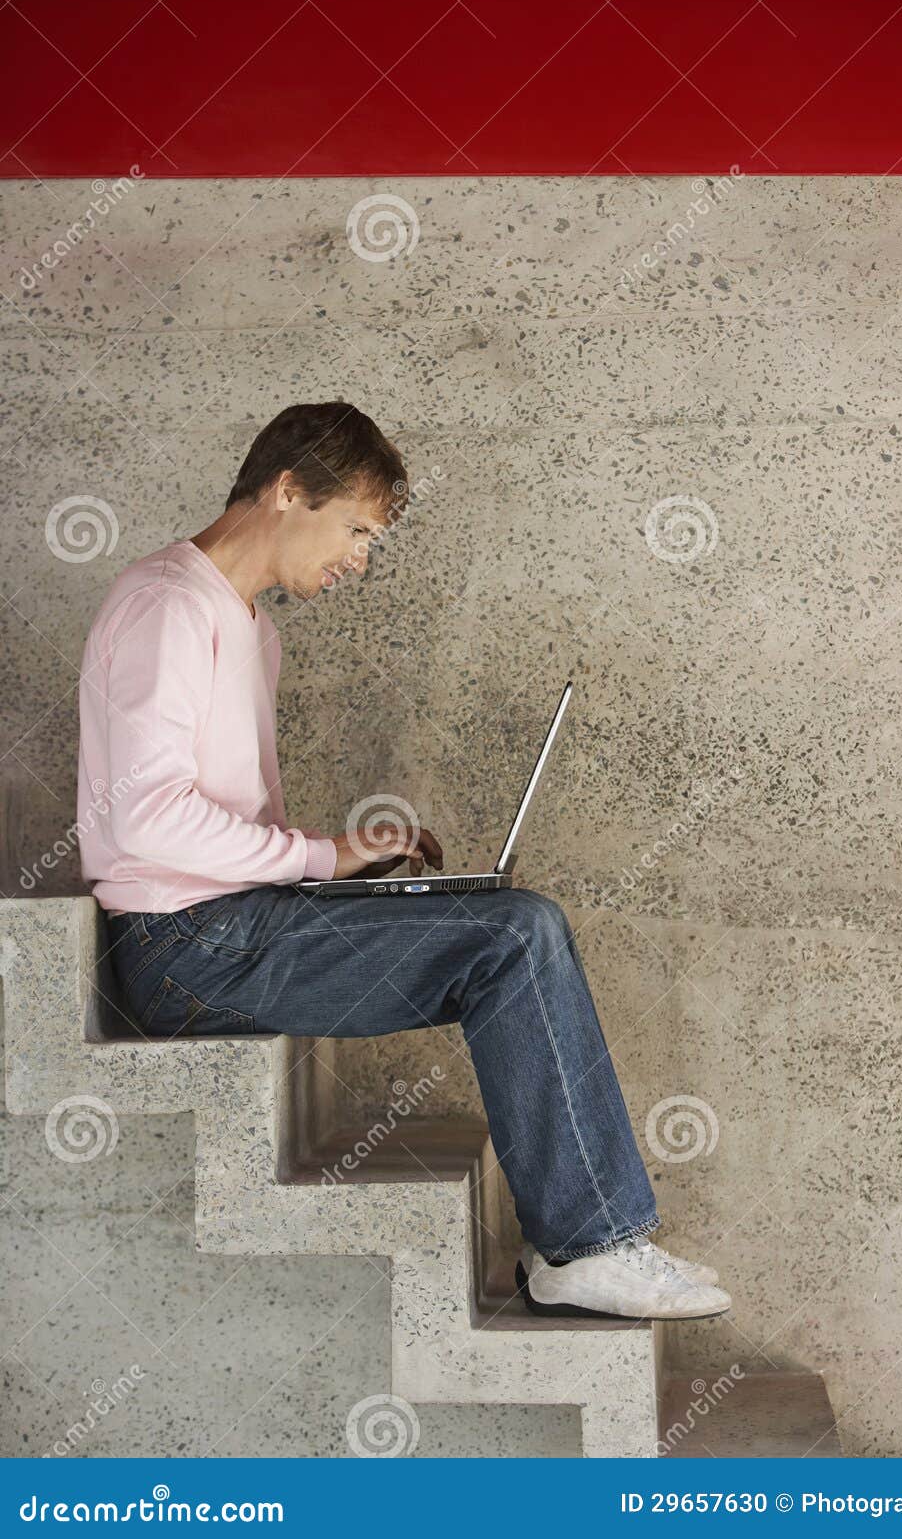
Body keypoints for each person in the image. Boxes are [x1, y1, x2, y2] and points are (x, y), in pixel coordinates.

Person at [77, 401, 730, 1321]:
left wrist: (349, 864)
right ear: (287, 489)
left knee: (507, 922)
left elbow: (209, 822)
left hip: (236, 922)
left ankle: (590, 1241)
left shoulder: (244, 623)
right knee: (515, 934)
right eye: (355, 530)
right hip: (186, 949)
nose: (359, 560)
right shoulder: (168, 607)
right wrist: (319, 855)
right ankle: (585, 1247)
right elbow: (145, 819)